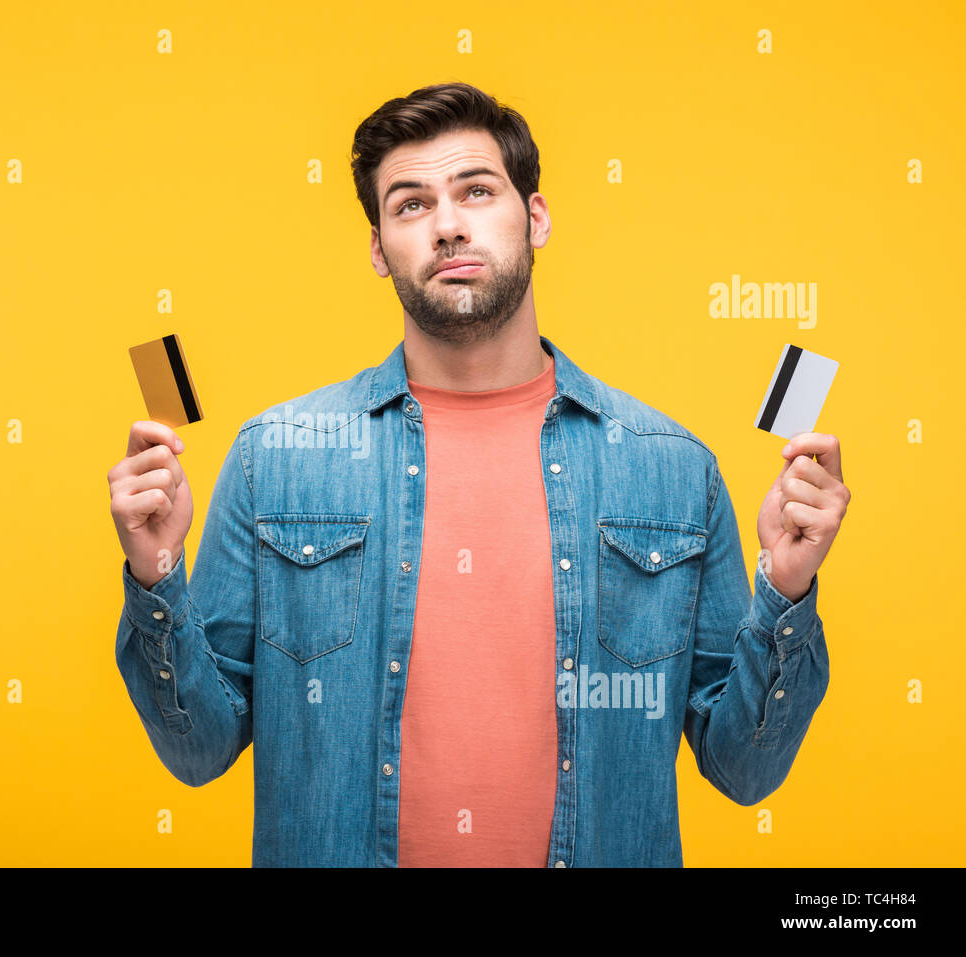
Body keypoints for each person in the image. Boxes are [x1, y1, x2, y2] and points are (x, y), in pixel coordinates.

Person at [107, 81, 850, 867]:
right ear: (377, 246)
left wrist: (788, 589)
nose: (449, 225)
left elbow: (745, 767)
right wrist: (156, 573)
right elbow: (200, 750)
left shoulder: (670, 468)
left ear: (535, 218)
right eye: (411, 204)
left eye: (476, 190)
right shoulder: (278, 460)